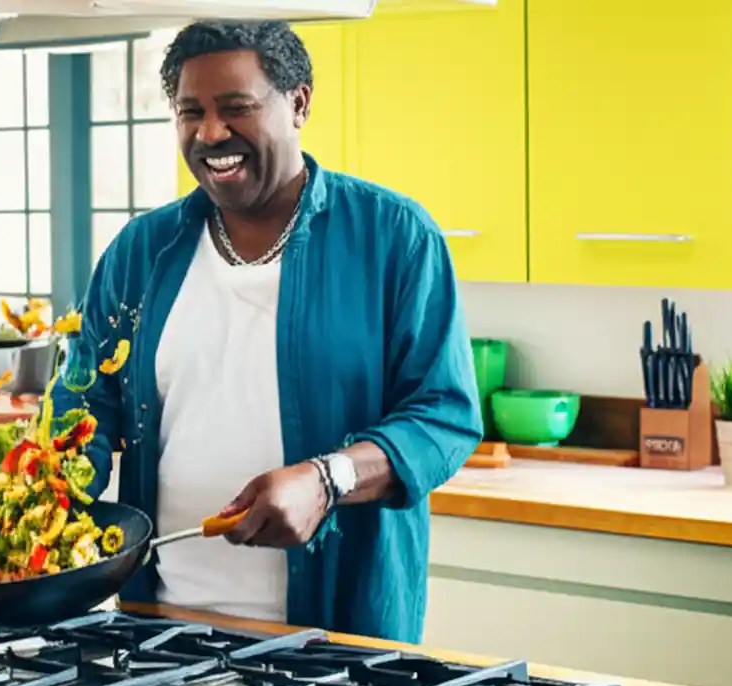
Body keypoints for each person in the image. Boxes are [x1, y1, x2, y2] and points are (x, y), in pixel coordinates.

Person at [52, 19, 482, 644]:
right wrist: (40, 487)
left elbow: (444, 417)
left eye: (237, 109)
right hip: (158, 627)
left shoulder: (393, 237)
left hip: (336, 636)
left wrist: (327, 479)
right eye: (189, 112)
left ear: (299, 103)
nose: (210, 134)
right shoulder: (141, 251)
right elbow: (84, 400)